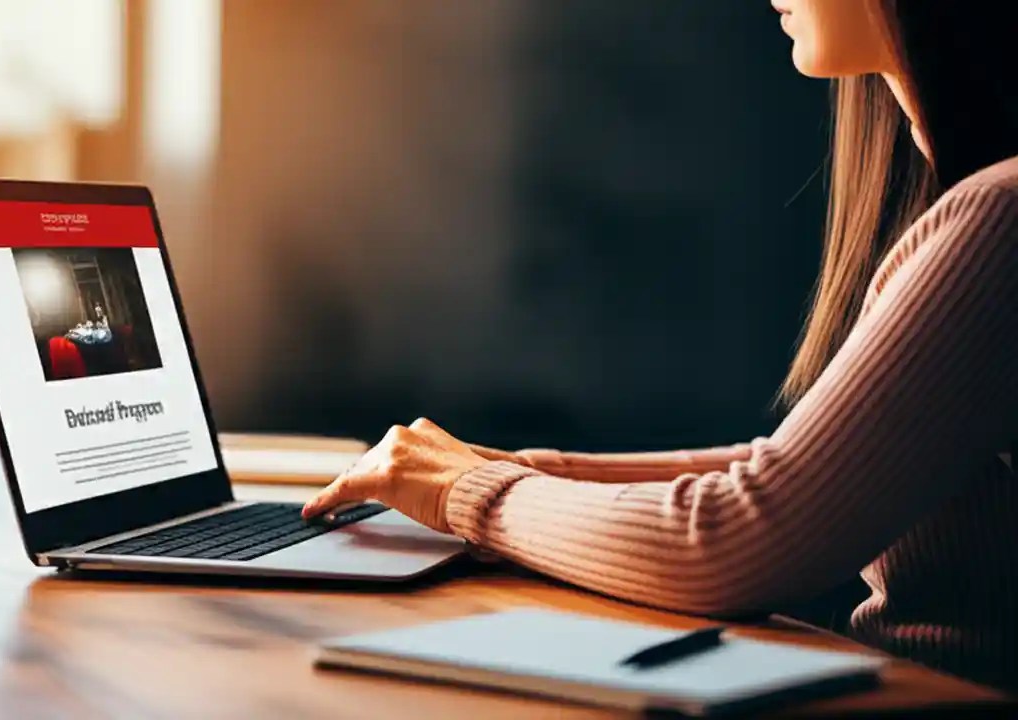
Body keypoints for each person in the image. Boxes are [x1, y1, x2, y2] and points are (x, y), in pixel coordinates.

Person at [303, 0, 1018, 691]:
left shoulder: (1002, 218)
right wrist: (525, 474)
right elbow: (815, 476)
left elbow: (744, 537)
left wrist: (471, 494)